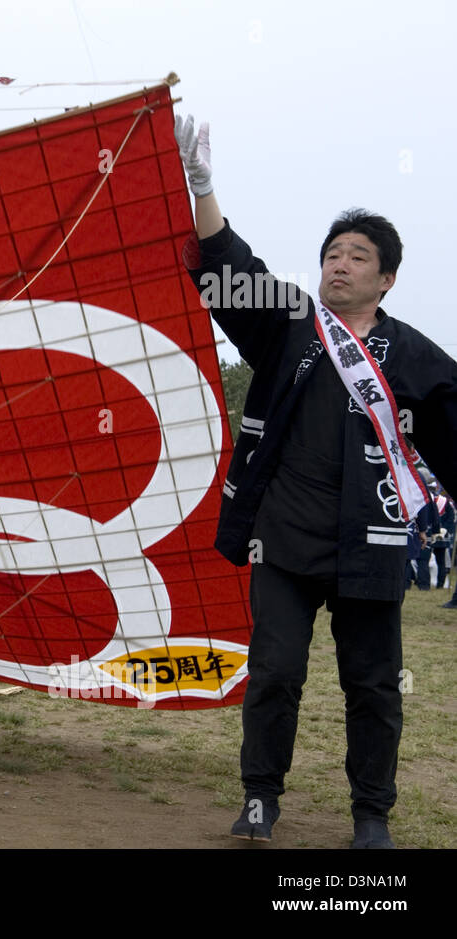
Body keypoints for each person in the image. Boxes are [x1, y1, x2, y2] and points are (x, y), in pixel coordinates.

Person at [177, 115, 457, 849]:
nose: (339, 264)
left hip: (375, 545)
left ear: (386, 277)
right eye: (332, 253)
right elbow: (226, 268)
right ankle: (260, 798)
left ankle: (371, 816)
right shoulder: (292, 324)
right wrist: (201, 187)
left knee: (373, 687)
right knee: (274, 671)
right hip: (285, 538)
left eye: (357, 256)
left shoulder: (420, 359)